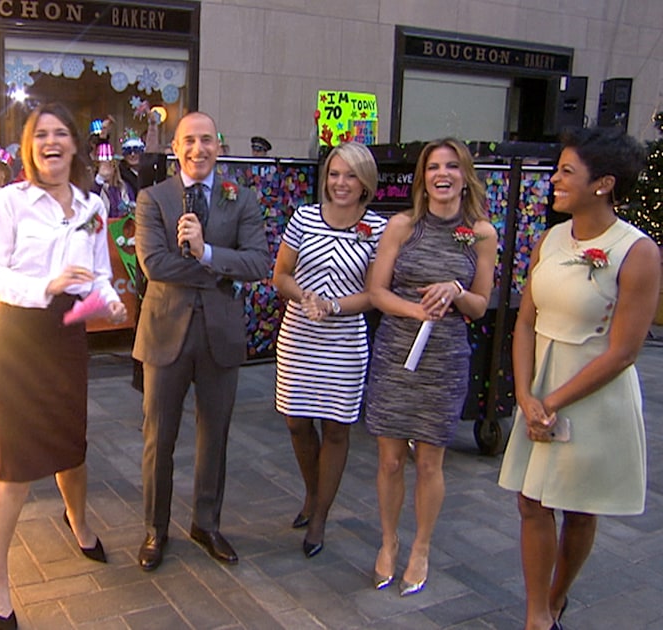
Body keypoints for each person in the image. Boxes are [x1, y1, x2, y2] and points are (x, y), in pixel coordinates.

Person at [498, 128, 657, 630]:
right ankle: (536, 614)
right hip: (541, 384)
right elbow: (526, 320)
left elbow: (625, 350)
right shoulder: (550, 238)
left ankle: (558, 594)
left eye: (567, 171)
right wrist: (525, 394)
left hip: (593, 394)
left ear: (603, 184)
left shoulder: (637, 252)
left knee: (579, 508)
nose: (555, 180)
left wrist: (555, 400)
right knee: (531, 501)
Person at [0, 103, 127, 630]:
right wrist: (46, 286)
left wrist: (108, 300)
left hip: (65, 338)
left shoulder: (92, 205)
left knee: (72, 448)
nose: (52, 142)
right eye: (41, 134)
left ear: (74, 146)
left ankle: (79, 522)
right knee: (14, 467)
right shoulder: (11, 202)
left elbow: (98, 274)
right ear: (30, 145)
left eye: (61, 133)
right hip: (15, 339)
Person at [133, 111, 271, 572]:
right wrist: (216, 271)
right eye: (189, 140)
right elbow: (155, 265)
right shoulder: (153, 199)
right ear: (175, 148)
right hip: (164, 332)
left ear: (219, 144)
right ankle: (156, 528)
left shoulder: (243, 199)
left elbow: (256, 264)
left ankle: (206, 524)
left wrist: (205, 252)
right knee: (160, 438)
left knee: (215, 436)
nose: (199, 149)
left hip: (220, 334)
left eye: (207, 139)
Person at [365, 138, 497, 596]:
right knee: (389, 458)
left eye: (452, 166)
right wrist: (413, 309)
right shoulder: (401, 227)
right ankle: (388, 540)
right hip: (396, 353)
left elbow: (480, 305)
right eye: (434, 167)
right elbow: (377, 291)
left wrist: (456, 292)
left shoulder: (481, 233)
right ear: (422, 176)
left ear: (465, 176)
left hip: (444, 357)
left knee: (429, 461)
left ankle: (420, 547)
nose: (443, 174)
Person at [273, 142, 386, 558]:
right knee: (296, 421)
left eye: (350, 176)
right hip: (300, 335)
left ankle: (319, 516)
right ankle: (312, 492)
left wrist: (334, 306)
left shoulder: (376, 229)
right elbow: (280, 275)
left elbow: (374, 294)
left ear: (365, 183)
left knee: (335, 428)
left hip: (344, 341)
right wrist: (305, 297)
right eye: (335, 174)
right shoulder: (303, 217)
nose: (341, 183)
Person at [92, 143, 134, 219]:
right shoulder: (94, 187)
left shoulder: (125, 187)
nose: (106, 168)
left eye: (109, 164)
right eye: (103, 165)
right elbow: (91, 202)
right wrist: (100, 178)